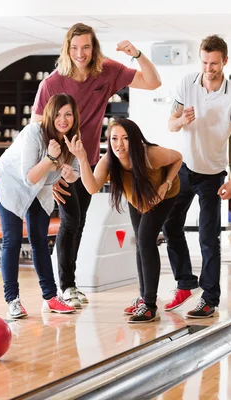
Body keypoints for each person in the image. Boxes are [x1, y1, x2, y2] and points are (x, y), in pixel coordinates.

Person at [31, 22, 162, 308]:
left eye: (86, 47)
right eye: (75, 47)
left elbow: (153, 82)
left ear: (94, 48)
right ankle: (65, 286)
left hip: (87, 163)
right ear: (67, 49)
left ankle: (69, 284)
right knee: (70, 221)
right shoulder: (51, 84)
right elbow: (36, 131)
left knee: (79, 223)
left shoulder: (108, 71)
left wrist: (137, 54)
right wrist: (49, 174)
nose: (81, 53)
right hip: (60, 166)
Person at [163, 34, 231, 318]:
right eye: (204, 62)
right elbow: (171, 124)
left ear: (224, 61)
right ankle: (186, 282)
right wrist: (181, 120)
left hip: (213, 174)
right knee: (170, 226)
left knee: (208, 238)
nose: (208, 68)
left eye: (214, 63)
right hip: (184, 168)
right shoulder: (187, 83)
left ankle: (210, 298)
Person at [66, 118, 182, 323]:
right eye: (114, 139)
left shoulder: (150, 155)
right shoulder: (109, 161)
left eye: (125, 138)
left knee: (146, 241)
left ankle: (150, 305)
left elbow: (178, 158)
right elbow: (92, 187)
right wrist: (83, 159)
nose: (119, 144)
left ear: (135, 140)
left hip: (163, 194)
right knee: (140, 243)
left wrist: (166, 183)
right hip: (137, 198)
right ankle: (143, 297)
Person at [0, 94, 80, 318]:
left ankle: (50, 297)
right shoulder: (33, 133)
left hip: (41, 188)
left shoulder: (73, 138)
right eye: (58, 114)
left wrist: (70, 173)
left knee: (40, 240)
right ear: (49, 114)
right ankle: (13, 300)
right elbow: (29, 178)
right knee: (13, 240)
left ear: (74, 116)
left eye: (68, 114)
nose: (63, 119)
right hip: (12, 184)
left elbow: (76, 170)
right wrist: (50, 158)